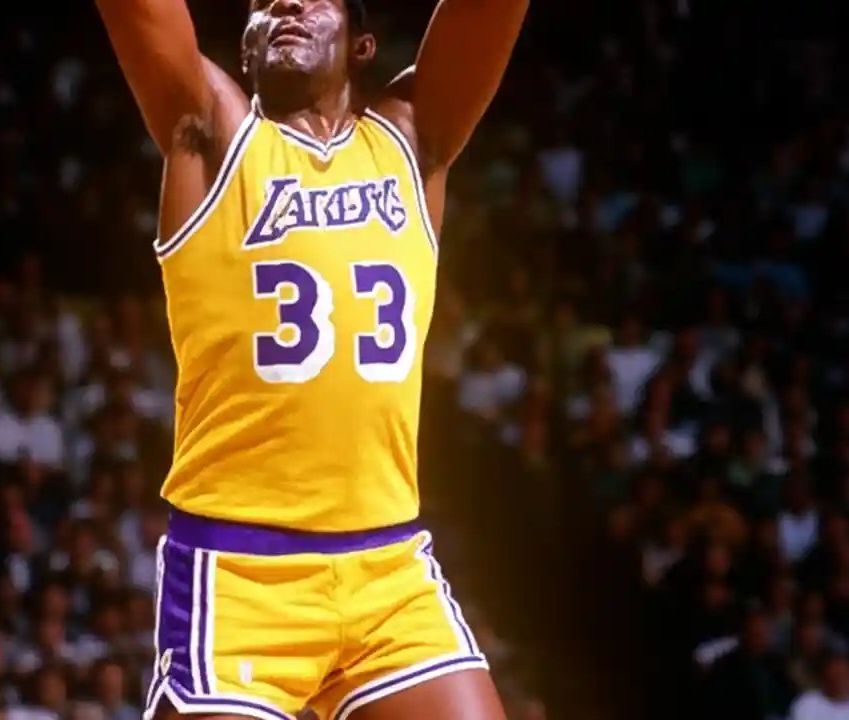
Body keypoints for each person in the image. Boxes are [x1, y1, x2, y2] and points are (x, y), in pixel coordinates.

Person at [93, 1, 527, 719]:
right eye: (264, 3)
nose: (286, 3)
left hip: (387, 567)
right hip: (239, 575)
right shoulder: (212, 133)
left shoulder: (414, 138)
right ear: (245, 47)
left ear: (363, 44)